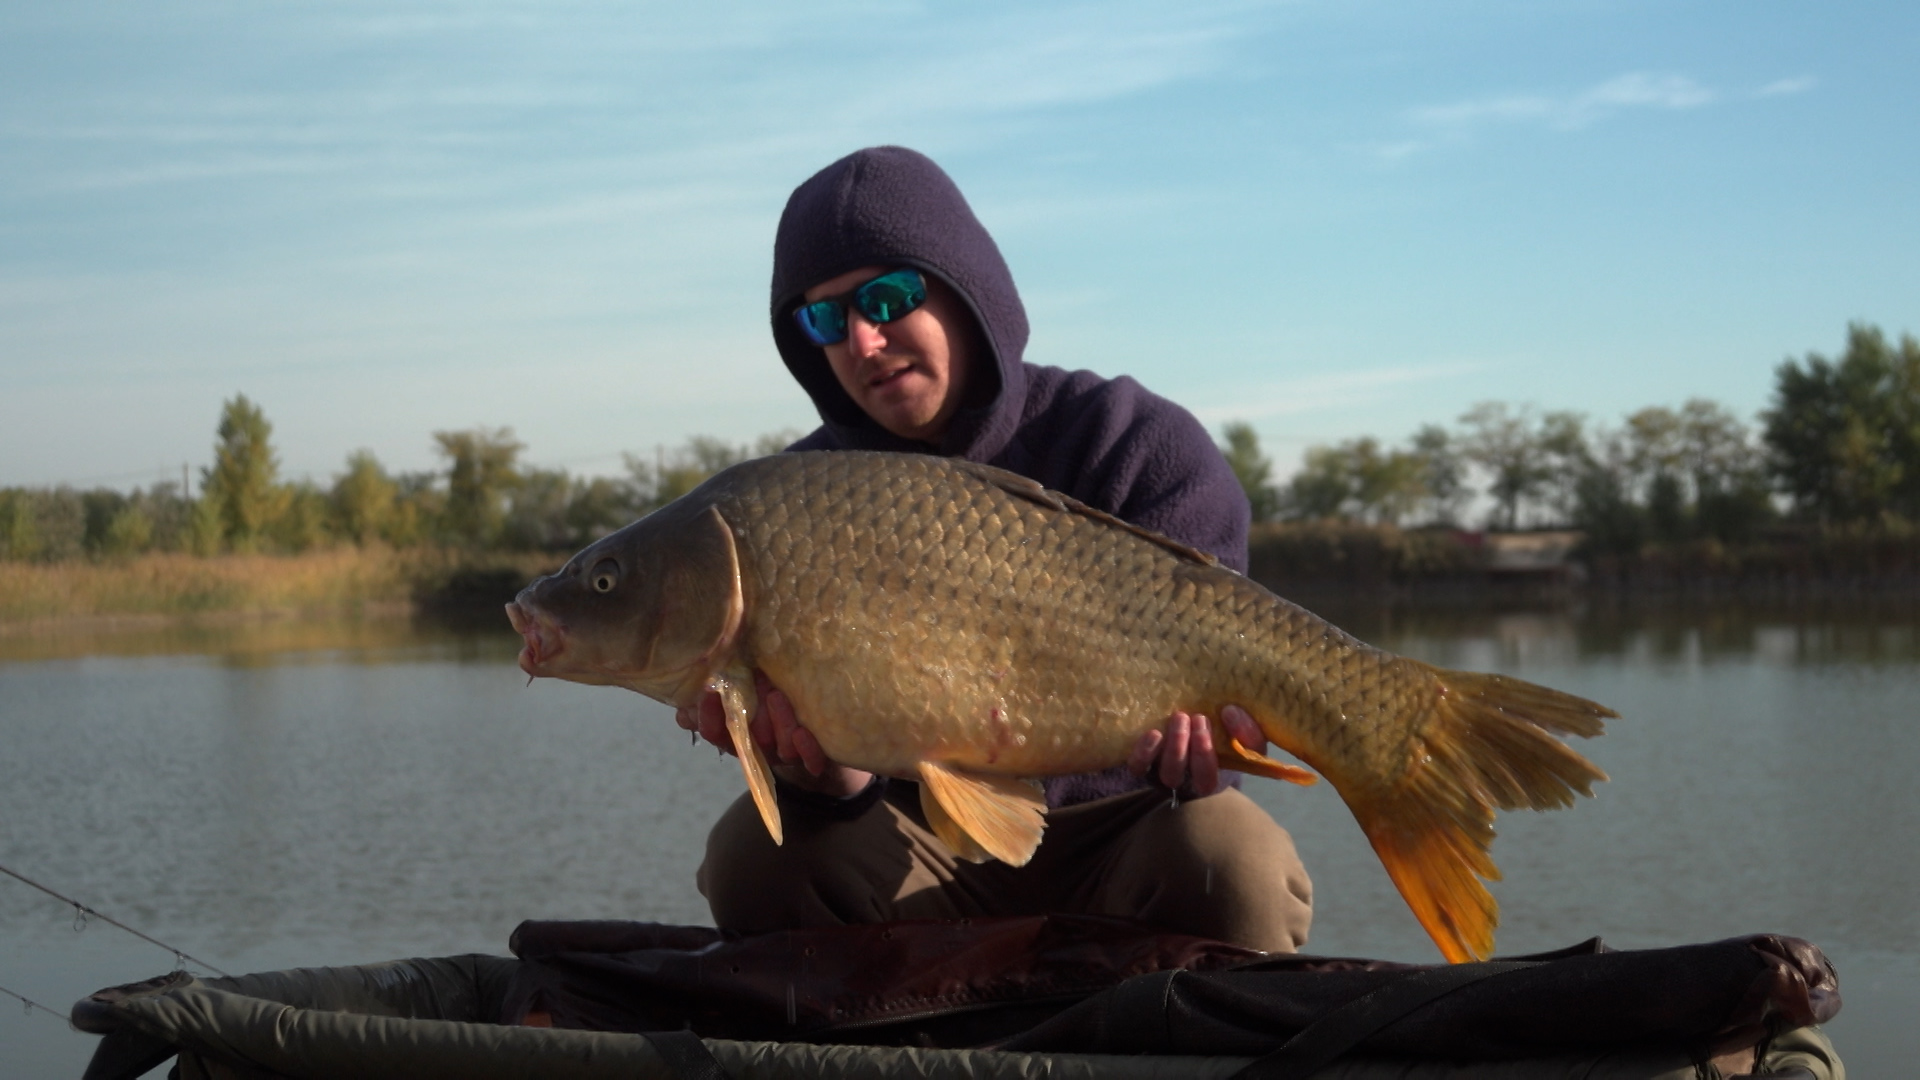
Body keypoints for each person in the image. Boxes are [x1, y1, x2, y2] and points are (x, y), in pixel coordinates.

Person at [676, 146, 1312, 953]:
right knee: (750, 859)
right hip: (916, 840)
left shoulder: (1132, 442)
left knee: (1234, 862)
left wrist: (1200, 755)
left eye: (889, 296)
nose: (864, 341)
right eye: (828, 319)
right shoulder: (793, 501)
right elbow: (834, 794)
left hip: (1130, 826)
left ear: (967, 292)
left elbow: (1219, 678)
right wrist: (820, 776)